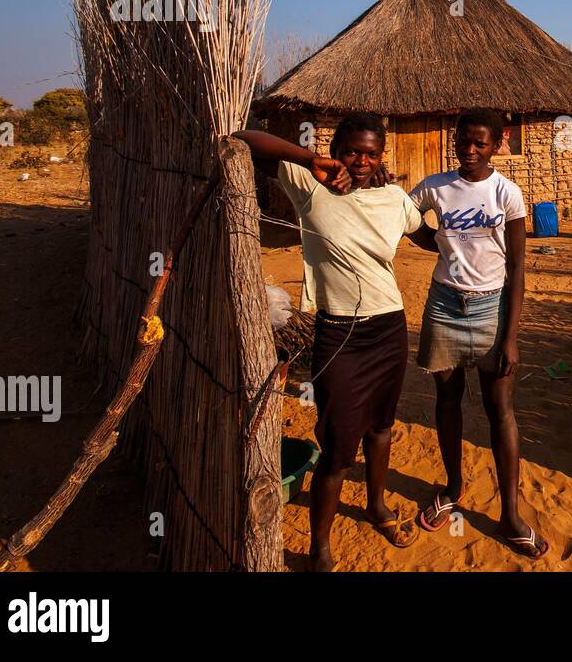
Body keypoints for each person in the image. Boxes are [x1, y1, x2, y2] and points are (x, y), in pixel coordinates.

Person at [233, 113, 421, 571]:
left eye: (371, 153)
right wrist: (308, 157)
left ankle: (376, 506)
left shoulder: (394, 198)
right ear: (336, 149)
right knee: (337, 447)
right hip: (340, 334)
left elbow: (425, 231)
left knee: (381, 428)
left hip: (390, 328)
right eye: (352, 150)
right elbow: (243, 139)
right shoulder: (309, 184)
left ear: (381, 157)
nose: (361, 160)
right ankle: (320, 548)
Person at [406, 107, 550, 559]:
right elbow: (407, 220)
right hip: (445, 304)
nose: (469, 150)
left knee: (499, 409)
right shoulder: (434, 187)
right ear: (455, 139)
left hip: (492, 308)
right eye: (463, 141)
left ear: (496, 144)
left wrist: (510, 336)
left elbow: (518, 266)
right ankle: (452, 487)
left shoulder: (507, 193)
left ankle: (509, 514)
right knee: (447, 400)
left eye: (480, 143)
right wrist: (438, 242)